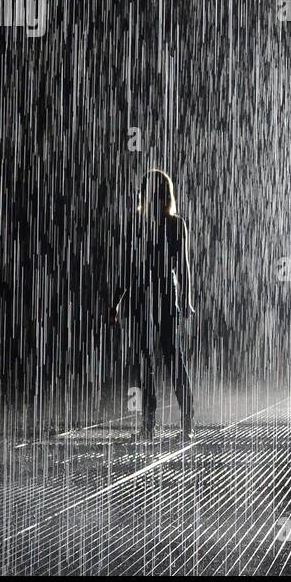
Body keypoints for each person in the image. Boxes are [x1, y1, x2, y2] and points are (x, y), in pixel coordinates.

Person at [110, 169, 196, 441]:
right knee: (170, 360)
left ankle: (154, 425)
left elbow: (130, 268)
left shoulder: (143, 224)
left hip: (145, 295)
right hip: (159, 296)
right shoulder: (171, 224)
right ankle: (183, 423)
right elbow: (181, 268)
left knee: (151, 361)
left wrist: (117, 302)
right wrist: (186, 299)